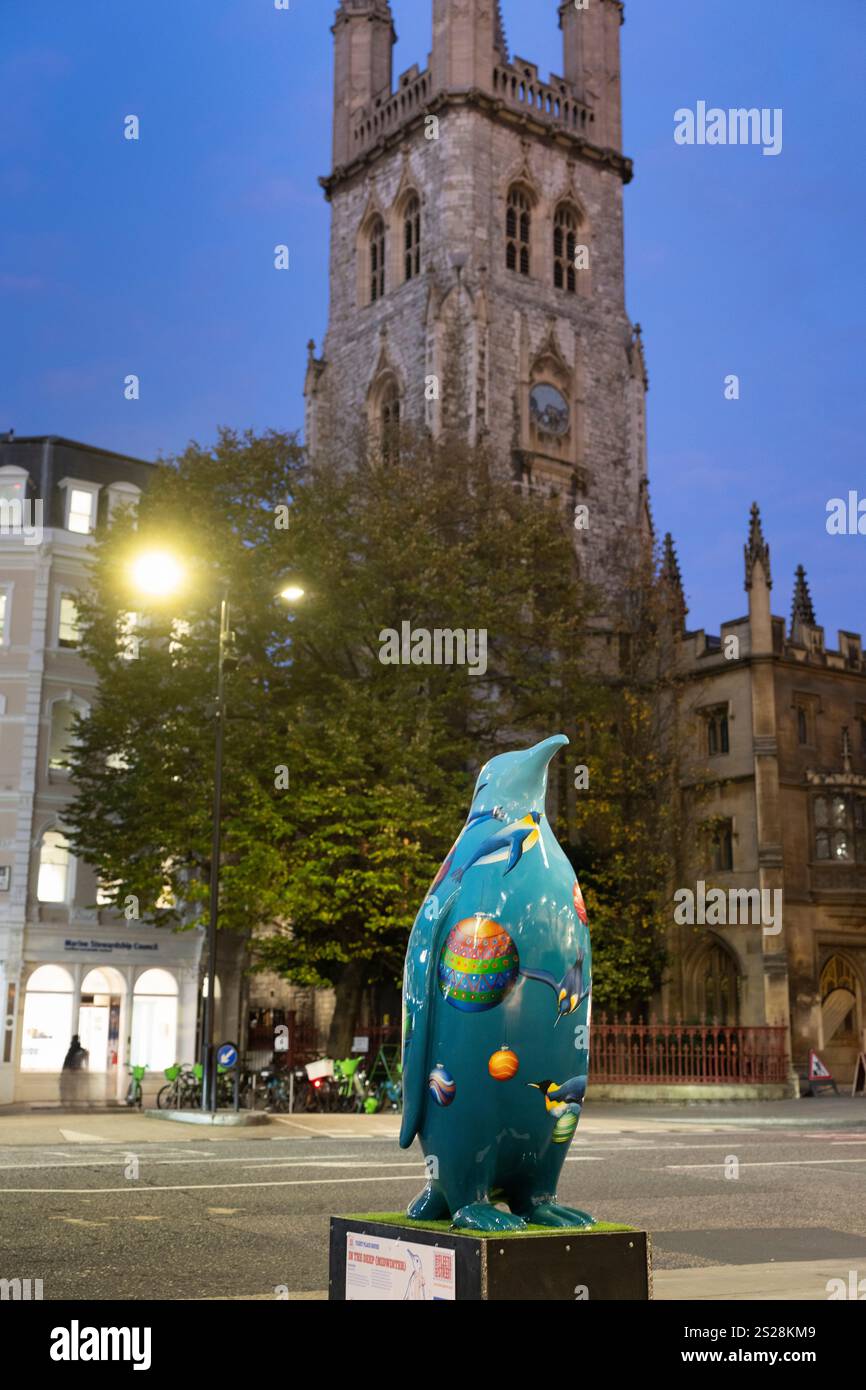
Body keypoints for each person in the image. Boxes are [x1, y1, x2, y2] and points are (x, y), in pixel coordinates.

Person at [60, 1033, 89, 1107]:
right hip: (70, 1069)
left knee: (67, 1086)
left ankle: (67, 1100)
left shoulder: (72, 1047)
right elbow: (80, 1051)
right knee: (72, 1086)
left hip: (67, 1068)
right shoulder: (76, 1046)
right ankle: (71, 1100)